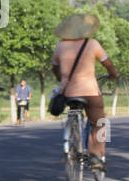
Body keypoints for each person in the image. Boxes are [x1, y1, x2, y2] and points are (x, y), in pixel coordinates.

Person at [51, 13, 119, 170]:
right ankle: (96, 155)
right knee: (101, 122)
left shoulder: (60, 46)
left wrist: (60, 78)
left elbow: (55, 68)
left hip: (67, 92)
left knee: (74, 110)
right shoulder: (93, 44)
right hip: (89, 91)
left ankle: (71, 143)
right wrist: (113, 74)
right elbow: (108, 63)